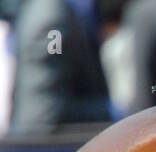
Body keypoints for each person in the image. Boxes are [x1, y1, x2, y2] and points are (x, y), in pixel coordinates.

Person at [8, 0, 111, 134]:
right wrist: (111, 110)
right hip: (49, 146)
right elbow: (48, 112)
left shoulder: (55, 11)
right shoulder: (52, 19)